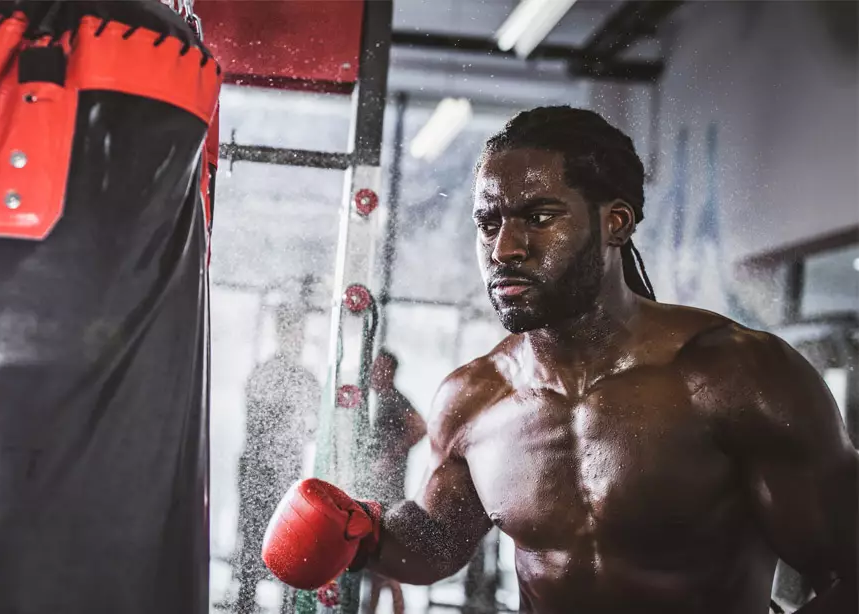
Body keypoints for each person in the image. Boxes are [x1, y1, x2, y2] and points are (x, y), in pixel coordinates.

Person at [262, 106, 858, 613]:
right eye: (488, 222)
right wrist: (361, 533)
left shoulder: (736, 377)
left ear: (615, 223)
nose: (505, 248)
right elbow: (439, 541)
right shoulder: (475, 399)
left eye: (539, 218)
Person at [233, 303, 320, 614]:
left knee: (286, 541)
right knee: (258, 539)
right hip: (262, 470)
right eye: (291, 330)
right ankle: (249, 601)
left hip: (283, 473)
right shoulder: (270, 375)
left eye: (297, 331)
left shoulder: (296, 378)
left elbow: (316, 427)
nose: (294, 337)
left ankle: (278, 604)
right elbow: (257, 423)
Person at [363, 350, 426, 614]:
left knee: (384, 555)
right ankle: (376, 608)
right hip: (374, 487)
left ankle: (396, 609)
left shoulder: (395, 400)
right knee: (378, 558)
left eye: (382, 369)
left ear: (391, 372)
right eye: (374, 368)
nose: (376, 374)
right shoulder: (374, 400)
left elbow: (420, 427)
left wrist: (392, 456)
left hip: (388, 491)